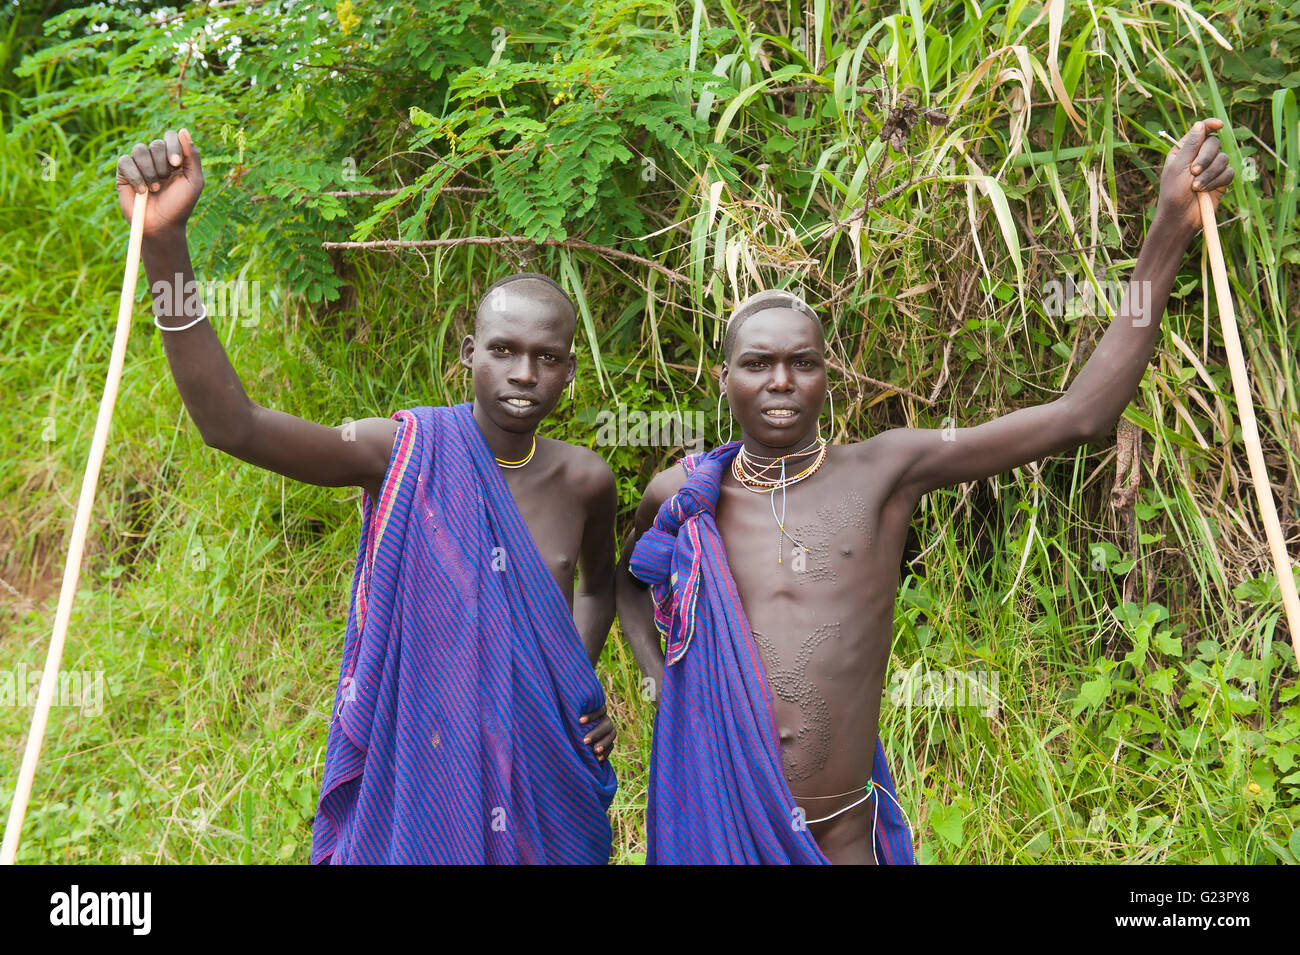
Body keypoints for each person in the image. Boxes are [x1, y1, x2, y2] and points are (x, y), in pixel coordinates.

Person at [617, 119, 1235, 864]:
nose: (781, 381)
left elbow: (1080, 415)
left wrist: (1169, 227)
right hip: (720, 822)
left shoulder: (884, 471)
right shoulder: (685, 493)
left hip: (845, 834)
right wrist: (665, 688)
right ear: (724, 379)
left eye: (802, 362)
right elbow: (626, 581)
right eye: (757, 364)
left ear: (827, 375)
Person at [115, 128, 619, 864]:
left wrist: (575, 694)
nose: (522, 372)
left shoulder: (586, 481)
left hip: (546, 777)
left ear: (569, 374)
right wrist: (166, 246)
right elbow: (233, 424)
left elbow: (598, 592)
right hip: (426, 766)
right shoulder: (402, 453)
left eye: (546, 358)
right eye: (503, 350)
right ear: (467, 354)